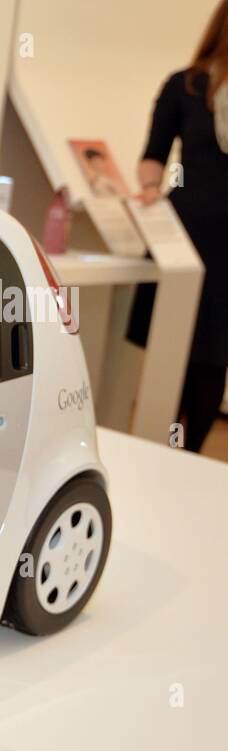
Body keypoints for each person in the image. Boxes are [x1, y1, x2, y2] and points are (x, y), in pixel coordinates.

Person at [137, 0, 228, 453]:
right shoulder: (185, 85)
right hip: (185, 232)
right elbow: (153, 153)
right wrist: (149, 190)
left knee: (215, 356)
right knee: (174, 346)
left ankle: (189, 458)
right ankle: (157, 450)